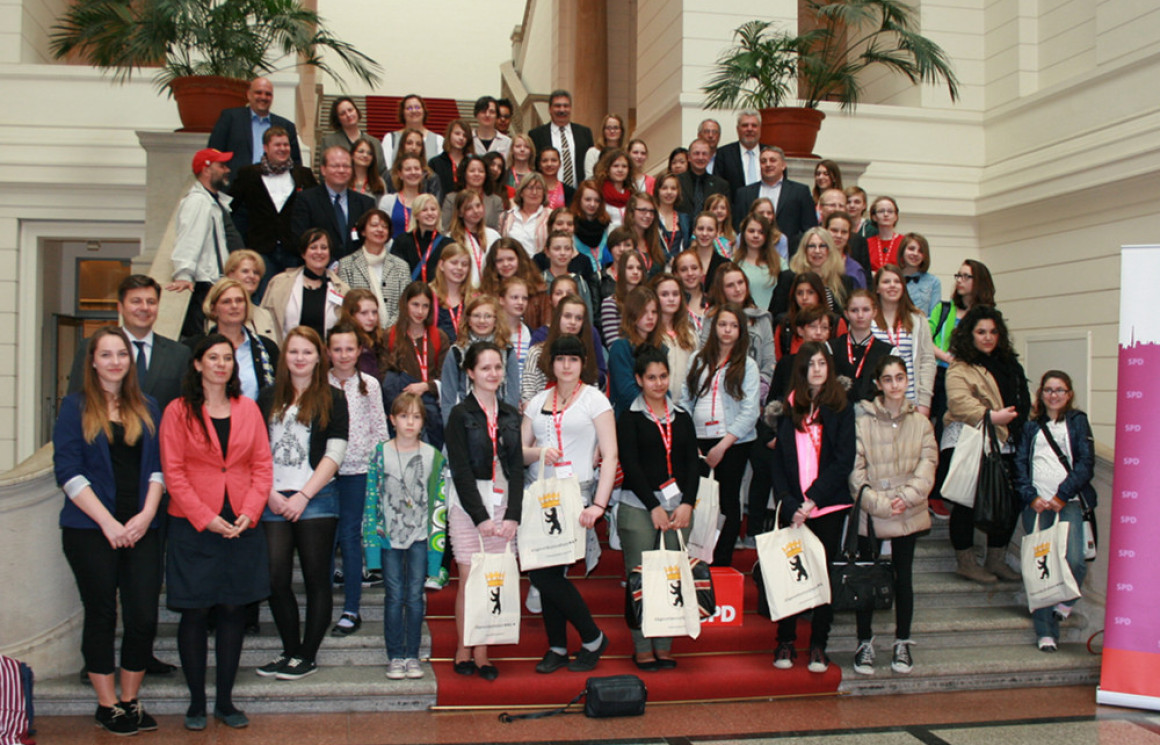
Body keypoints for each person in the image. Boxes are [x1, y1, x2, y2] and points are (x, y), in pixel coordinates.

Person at [159, 334, 273, 730]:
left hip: (241, 522)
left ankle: (225, 701)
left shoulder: (249, 409)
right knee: (194, 612)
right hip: (195, 524)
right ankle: (195, 702)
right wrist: (205, 517)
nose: (221, 364)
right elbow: (173, 472)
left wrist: (251, 510)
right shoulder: (177, 411)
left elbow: (262, 466)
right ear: (197, 364)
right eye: (213, 357)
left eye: (227, 358)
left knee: (232, 611)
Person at [54, 327, 164, 736]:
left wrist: (146, 515)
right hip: (90, 528)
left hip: (141, 527)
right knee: (101, 614)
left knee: (143, 616)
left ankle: (131, 700)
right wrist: (109, 523)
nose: (116, 361)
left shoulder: (148, 405)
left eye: (122, 354)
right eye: (107, 355)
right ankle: (107, 704)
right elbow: (67, 472)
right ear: (93, 361)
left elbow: (158, 467)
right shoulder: (74, 407)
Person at [256, 326, 349, 681]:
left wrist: (304, 495)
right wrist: (269, 494)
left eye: (307, 352)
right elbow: (254, 450)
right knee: (276, 579)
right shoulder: (266, 397)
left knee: (315, 580)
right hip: (272, 498)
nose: (299, 358)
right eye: (293, 352)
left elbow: (335, 452)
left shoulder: (333, 397)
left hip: (317, 498)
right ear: (284, 357)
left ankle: (307, 655)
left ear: (319, 356)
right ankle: (290, 649)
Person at [522, 335, 616, 673]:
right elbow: (519, 452)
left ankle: (589, 638)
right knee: (543, 572)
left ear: (583, 364)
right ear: (551, 363)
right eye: (560, 359)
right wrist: (538, 452)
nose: (566, 365)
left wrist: (600, 505)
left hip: (577, 494)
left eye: (573, 360)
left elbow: (610, 454)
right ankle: (560, 647)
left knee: (547, 574)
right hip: (540, 494)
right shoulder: (536, 402)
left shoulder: (595, 400)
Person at [767, 341, 855, 673]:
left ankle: (819, 644)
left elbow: (843, 461)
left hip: (827, 506)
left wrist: (812, 499)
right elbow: (779, 463)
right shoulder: (789, 408)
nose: (816, 370)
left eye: (822, 363)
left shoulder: (841, 407)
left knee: (823, 577)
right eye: (810, 365)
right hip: (794, 509)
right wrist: (790, 503)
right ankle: (785, 640)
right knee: (791, 575)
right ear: (800, 371)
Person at [849, 355, 936, 676]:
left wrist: (905, 499)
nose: (895, 384)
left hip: (909, 511)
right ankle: (864, 643)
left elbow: (927, 467)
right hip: (873, 514)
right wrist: (882, 504)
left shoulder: (921, 423)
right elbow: (855, 473)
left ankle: (902, 642)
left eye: (900, 378)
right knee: (866, 580)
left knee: (904, 579)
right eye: (888, 379)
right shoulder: (862, 422)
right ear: (878, 384)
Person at [444, 341, 524, 680]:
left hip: (503, 500)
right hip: (467, 505)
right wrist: (480, 518)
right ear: (471, 373)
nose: (493, 373)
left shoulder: (510, 413)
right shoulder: (460, 414)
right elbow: (460, 470)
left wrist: (513, 515)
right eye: (486, 368)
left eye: (498, 367)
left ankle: (484, 653)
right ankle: (465, 646)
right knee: (470, 580)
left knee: (495, 579)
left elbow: (518, 467)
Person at [617, 345, 699, 670]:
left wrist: (689, 503)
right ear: (639, 379)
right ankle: (641, 646)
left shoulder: (682, 417)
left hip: (679, 510)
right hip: (639, 508)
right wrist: (653, 506)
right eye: (651, 377)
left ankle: (664, 644)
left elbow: (693, 465)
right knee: (641, 579)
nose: (658, 383)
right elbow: (630, 465)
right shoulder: (629, 417)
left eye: (663, 376)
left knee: (670, 577)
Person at [943, 305, 1030, 584]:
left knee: (1009, 500)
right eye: (981, 332)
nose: (988, 337)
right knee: (967, 500)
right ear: (970, 334)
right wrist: (991, 416)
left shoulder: (1010, 364)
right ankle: (966, 562)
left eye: (993, 332)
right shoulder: (960, 366)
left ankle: (996, 560)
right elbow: (958, 401)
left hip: (1006, 440)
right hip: (970, 440)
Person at [364, 392, 446, 680]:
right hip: (389, 538)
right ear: (392, 420)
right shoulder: (380, 452)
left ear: (423, 422)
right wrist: (371, 546)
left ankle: (413, 654)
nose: (409, 422)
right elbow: (371, 501)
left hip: (421, 537)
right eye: (403, 416)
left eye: (415, 416)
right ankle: (395, 655)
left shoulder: (433, 456)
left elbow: (439, 504)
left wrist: (438, 554)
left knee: (414, 596)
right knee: (394, 595)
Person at [1014, 370, 1095, 652]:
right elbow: (1020, 466)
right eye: (1048, 390)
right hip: (1037, 507)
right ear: (1041, 394)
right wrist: (1031, 496)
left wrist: (1062, 495)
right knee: (1042, 572)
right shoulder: (1031, 427)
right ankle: (1046, 633)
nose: (1054, 395)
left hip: (1068, 504)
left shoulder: (1077, 422)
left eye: (1060, 390)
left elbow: (1086, 463)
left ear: (1069, 394)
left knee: (1075, 561)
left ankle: (1067, 601)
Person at [681, 303, 760, 567]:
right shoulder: (697, 359)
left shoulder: (747, 366)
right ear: (714, 328)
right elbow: (684, 401)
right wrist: (689, 441)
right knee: (697, 500)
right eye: (722, 324)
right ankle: (696, 557)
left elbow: (751, 412)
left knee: (728, 502)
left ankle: (721, 560)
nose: (727, 330)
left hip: (732, 443)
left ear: (741, 331)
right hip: (698, 442)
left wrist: (723, 446)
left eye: (733, 326)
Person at [326, 322, 389, 637]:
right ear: (328, 352)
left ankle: (351, 608)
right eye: (337, 349)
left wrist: (381, 470)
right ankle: (322, 605)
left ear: (359, 350)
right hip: (325, 472)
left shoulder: (370, 385)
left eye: (349, 348)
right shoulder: (318, 383)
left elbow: (380, 428)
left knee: (350, 537)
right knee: (324, 537)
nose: (343, 355)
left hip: (358, 471)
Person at [69, 275, 192, 411]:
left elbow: (184, 409)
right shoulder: (91, 348)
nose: (144, 308)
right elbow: (76, 400)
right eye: (136, 301)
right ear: (120, 307)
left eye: (151, 302)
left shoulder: (179, 354)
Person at [228, 127, 318, 300]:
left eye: (286, 144)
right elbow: (231, 208)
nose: (283, 149)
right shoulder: (248, 174)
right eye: (277, 145)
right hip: (261, 250)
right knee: (261, 298)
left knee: (292, 299)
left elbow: (315, 208)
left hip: (293, 251)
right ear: (266, 147)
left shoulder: (303, 175)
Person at [168, 148, 245, 338]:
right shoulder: (197, 202)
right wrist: (184, 273)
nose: (227, 170)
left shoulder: (213, 201)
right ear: (206, 169)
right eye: (222, 165)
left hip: (211, 284)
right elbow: (189, 238)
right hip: (203, 286)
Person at [381, 282, 452, 450]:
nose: (420, 311)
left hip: (430, 409)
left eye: (425, 306)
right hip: (400, 406)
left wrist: (425, 386)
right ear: (405, 304)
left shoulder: (438, 337)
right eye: (415, 305)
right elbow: (383, 374)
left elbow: (447, 377)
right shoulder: (390, 336)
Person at [185, 278, 279, 401]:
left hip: (255, 418)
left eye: (239, 301)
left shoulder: (267, 347)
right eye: (226, 302)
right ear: (213, 309)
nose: (234, 306)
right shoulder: (194, 347)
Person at [440, 295, 521, 423]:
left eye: (488, 316)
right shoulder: (456, 352)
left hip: (499, 421)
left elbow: (513, 393)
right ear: (468, 320)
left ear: (496, 320)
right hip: (465, 421)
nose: (482, 321)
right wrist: (451, 430)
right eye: (476, 315)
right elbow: (448, 399)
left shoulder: (507, 350)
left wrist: (508, 425)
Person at [261, 228, 351, 341]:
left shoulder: (342, 289)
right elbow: (264, 321)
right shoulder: (279, 283)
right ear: (303, 253)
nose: (319, 252)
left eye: (324, 248)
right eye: (313, 247)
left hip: (326, 356)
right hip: (288, 354)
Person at [290, 146, 376, 262]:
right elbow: (300, 239)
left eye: (346, 166)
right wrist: (330, 264)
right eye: (335, 166)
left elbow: (370, 241)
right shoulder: (306, 200)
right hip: (319, 269)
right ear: (323, 170)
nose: (341, 170)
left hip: (357, 269)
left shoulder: (365, 203)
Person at [705, 265, 777, 402]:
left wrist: (757, 387)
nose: (738, 289)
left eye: (740, 282)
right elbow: (705, 355)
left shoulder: (761, 317)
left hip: (755, 392)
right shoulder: (712, 318)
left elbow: (769, 361)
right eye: (730, 285)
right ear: (721, 290)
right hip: (719, 393)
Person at [871, 265, 936, 415]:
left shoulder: (918, 319)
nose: (892, 285)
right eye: (886, 281)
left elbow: (927, 362)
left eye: (897, 281)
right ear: (877, 288)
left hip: (912, 404)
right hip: (878, 405)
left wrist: (924, 404)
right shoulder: (868, 320)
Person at [207, 77, 301, 179]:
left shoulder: (286, 126)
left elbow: (296, 164)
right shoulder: (231, 118)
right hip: (236, 186)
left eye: (268, 94)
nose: (263, 97)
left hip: (274, 188)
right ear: (249, 95)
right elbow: (214, 152)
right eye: (258, 92)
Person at [732, 146, 817, 255]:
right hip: (751, 256)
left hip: (790, 257)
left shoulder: (800, 192)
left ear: (783, 165)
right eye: (763, 161)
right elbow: (738, 226)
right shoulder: (744, 193)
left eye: (773, 160)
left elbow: (809, 229)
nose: (768, 164)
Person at [522, 295, 606, 403]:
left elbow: (594, 397)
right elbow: (528, 398)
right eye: (567, 316)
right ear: (558, 318)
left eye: (578, 318)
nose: (573, 322)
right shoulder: (536, 352)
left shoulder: (585, 354)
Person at [335, 209, 411, 328]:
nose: (380, 229)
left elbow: (405, 303)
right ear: (363, 231)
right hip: (358, 334)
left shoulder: (401, 266)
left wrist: (389, 331)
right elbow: (346, 304)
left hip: (394, 335)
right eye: (374, 225)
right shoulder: (347, 265)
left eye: (384, 226)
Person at [607, 286, 663, 415]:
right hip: (629, 417)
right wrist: (655, 406)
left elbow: (665, 388)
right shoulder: (620, 347)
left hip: (657, 416)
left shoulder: (660, 346)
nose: (650, 317)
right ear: (632, 314)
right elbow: (627, 392)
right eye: (644, 312)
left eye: (654, 312)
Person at [833, 290, 895, 402]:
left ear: (874, 312)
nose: (860, 315)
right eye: (854, 310)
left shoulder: (888, 352)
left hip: (873, 415)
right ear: (846, 314)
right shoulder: (831, 348)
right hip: (838, 414)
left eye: (866, 310)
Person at [529, 89, 596, 187]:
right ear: (550, 109)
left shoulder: (584, 133)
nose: (562, 110)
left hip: (579, 194)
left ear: (571, 108)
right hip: (548, 192)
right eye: (557, 106)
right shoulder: (536, 135)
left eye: (566, 106)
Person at [651, 273, 698, 400]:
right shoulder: (649, 332)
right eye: (665, 295)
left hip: (685, 403)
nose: (671, 299)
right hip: (657, 404)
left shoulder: (690, 333)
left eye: (675, 294)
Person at [789, 228, 854, 316]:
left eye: (822, 246)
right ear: (804, 250)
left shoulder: (844, 281)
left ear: (829, 250)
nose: (817, 251)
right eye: (811, 246)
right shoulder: (789, 278)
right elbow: (779, 314)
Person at [321, 97, 387, 179]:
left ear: (357, 111)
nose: (348, 115)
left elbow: (382, 172)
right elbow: (324, 174)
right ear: (338, 119)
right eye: (342, 113)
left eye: (350, 110)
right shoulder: (330, 142)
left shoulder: (374, 142)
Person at [447, 190, 502, 285]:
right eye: (469, 208)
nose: (476, 211)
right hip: (464, 289)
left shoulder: (493, 235)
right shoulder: (451, 238)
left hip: (490, 290)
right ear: (460, 213)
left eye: (478, 206)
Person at [223, 250, 280, 341]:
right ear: (231, 274)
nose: (252, 276)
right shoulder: (221, 311)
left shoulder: (265, 315)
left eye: (256, 273)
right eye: (245, 271)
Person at [391, 193, 448, 283]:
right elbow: (394, 273)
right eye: (424, 210)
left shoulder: (448, 244)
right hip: (409, 293)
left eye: (433, 209)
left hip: (438, 294)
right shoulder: (402, 241)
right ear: (416, 215)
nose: (430, 213)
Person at [440, 154, 505, 232]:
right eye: (472, 171)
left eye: (481, 171)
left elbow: (498, 230)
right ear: (464, 173)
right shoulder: (451, 199)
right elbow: (445, 228)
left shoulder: (496, 201)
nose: (477, 174)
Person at [735, 213, 785, 312]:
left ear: (767, 236)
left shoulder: (780, 264)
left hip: (772, 321)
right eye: (751, 231)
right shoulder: (733, 263)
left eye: (761, 232)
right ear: (743, 233)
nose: (756, 235)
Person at [382, 94, 443, 171]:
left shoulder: (438, 139)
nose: (414, 111)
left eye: (417, 107)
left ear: (424, 111)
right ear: (403, 113)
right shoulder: (390, 138)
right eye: (409, 108)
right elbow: (387, 170)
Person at [339, 289, 390, 379]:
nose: (371, 318)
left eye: (374, 312)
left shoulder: (380, 339)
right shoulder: (342, 341)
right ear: (350, 315)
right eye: (364, 313)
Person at [711, 110, 763, 199]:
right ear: (737, 129)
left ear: (760, 129)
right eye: (745, 125)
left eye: (754, 126)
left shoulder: (771, 153)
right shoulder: (723, 154)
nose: (749, 129)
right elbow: (718, 188)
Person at [430, 242, 476, 340]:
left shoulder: (475, 298)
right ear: (441, 265)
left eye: (464, 264)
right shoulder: (428, 295)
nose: (459, 268)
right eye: (454, 263)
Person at [600, 249, 647, 347]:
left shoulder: (649, 302)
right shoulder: (610, 303)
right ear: (621, 270)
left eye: (639, 268)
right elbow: (613, 344)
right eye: (630, 268)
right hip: (623, 357)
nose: (635, 272)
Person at [385, 127, 444, 201]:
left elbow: (436, 207)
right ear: (402, 146)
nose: (414, 147)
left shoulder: (431, 177)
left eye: (418, 144)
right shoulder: (389, 175)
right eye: (409, 143)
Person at [380, 153, 430, 237]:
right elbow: (381, 230)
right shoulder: (388, 201)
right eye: (408, 169)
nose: (413, 172)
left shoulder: (428, 202)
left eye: (417, 168)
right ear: (400, 174)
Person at [499, 172, 550, 256]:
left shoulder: (551, 216)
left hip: (539, 267)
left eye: (539, 188)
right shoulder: (506, 217)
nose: (534, 192)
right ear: (521, 192)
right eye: (530, 188)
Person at [677, 139, 729, 215]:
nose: (700, 157)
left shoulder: (721, 185)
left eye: (704, 154)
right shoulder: (677, 181)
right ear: (688, 157)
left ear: (710, 157)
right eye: (696, 153)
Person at [822, 210, 868, 291]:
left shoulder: (855, 270)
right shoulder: (814, 262)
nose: (839, 235)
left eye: (844, 232)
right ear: (825, 230)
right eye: (834, 230)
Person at [571, 179, 612, 270]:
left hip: (605, 276)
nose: (592, 204)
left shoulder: (606, 225)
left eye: (597, 200)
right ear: (579, 200)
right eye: (588, 199)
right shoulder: (571, 225)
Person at [898, 233, 941, 317]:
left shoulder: (933, 282)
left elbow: (934, 316)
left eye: (920, 251)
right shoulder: (893, 278)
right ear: (902, 251)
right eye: (911, 249)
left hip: (922, 328)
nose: (915, 253)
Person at [428, 119, 472, 198]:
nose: (461, 138)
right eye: (457, 134)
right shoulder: (435, 163)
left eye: (465, 135)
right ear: (449, 135)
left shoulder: (471, 163)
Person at [689, 211, 731, 292]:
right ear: (694, 231)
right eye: (701, 229)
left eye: (710, 229)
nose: (704, 233)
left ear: (716, 233)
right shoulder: (683, 261)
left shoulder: (725, 264)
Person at [626, 192, 666, 275]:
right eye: (643, 210)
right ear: (631, 212)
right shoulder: (622, 242)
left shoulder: (656, 241)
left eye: (651, 211)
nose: (648, 215)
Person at [594, 148, 635, 228]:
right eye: (615, 166)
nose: (620, 170)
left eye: (624, 166)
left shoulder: (632, 194)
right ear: (607, 169)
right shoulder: (598, 192)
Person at [654, 172, 690, 260]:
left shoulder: (684, 218)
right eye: (664, 188)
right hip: (658, 267)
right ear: (657, 190)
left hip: (680, 268)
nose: (669, 192)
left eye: (673, 188)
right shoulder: (651, 217)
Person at [673, 248, 709, 332]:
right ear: (676, 274)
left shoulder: (713, 299)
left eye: (694, 268)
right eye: (684, 270)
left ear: (701, 271)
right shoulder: (673, 304)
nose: (690, 273)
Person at [866, 196, 903, 273]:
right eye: (881, 211)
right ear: (874, 217)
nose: (886, 214)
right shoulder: (867, 243)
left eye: (890, 211)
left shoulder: (904, 242)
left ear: (896, 216)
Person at [584, 113, 627, 178]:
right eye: (608, 128)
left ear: (621, 131)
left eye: (616, 128)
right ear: (603, 131)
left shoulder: (626, 152)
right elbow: (589, 178)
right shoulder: (593, 152)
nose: (612, 131)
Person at [536, 145, 575, 210]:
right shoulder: (532, 189)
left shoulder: (569, 192)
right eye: (545, 161)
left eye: (554, 160)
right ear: (539, 165)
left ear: (560, 164)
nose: (549, 164)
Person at [705, 193, 736, 257]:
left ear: (727, 212)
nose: (719, 211)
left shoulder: (732, 234)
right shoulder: (702, 233)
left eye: (723, 208)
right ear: (707, 211)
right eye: (714, 208)